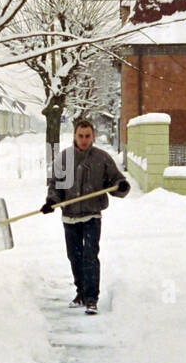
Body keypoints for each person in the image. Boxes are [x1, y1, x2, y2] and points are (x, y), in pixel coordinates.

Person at [41, 118, 130, 314]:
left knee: (90, 257)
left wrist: (122, 186)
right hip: (70, 216)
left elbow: (116, 182)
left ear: (93, 136)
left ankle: (91, 298)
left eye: (87, 136)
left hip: (92, 216)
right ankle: (81, 292)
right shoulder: (65, 158)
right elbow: (56, 185)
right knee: (74, 257)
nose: (83, 140)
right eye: (80, 136)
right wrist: (51, 202)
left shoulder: (102, 158)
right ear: (74, 135)